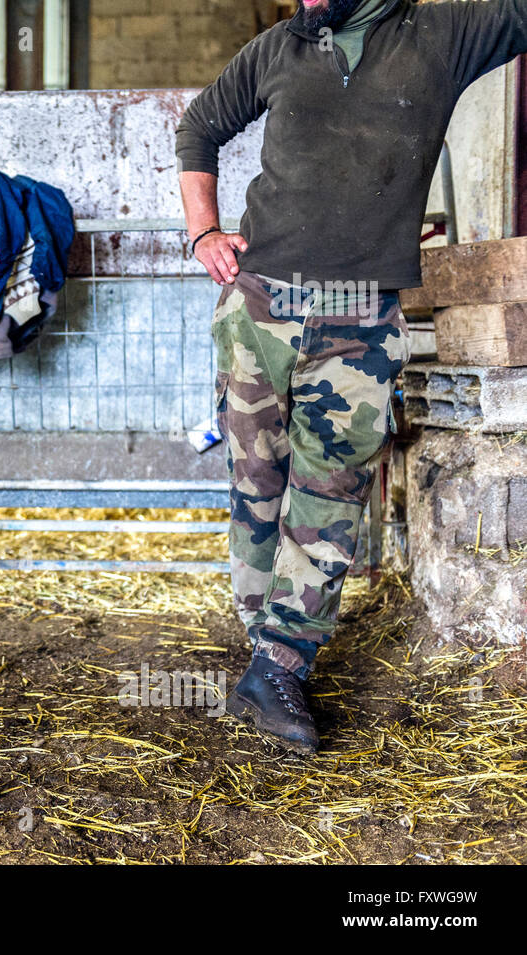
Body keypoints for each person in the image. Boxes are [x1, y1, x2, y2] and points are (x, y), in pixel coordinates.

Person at [176, 0, 527, 754]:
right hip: (258, 310)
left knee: (329, 496)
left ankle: (278, 666)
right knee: (256, 483)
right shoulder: (278, 48)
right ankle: (260, 650)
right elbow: (198, 126)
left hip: (359, 326)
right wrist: (203, 229)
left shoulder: (443, 35)